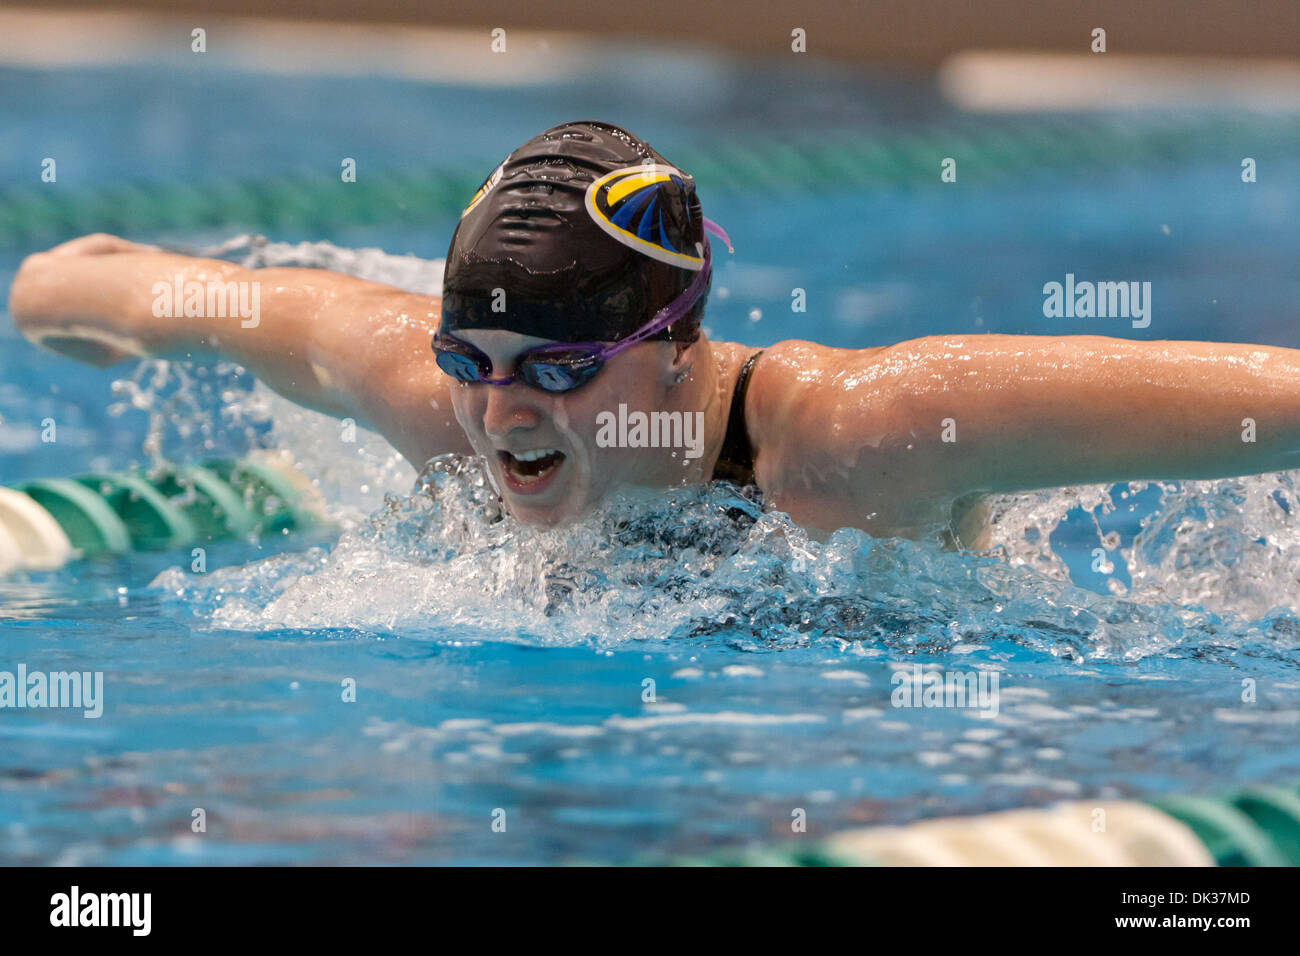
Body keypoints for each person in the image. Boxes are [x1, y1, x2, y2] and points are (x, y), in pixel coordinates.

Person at [10, 121, 1300, 544]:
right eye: (478, 362)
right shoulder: (426, 397)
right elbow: (133, 285)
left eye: (560, 372)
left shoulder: (859, 436)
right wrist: (65, 306)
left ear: (676, 341)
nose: (504, 412)